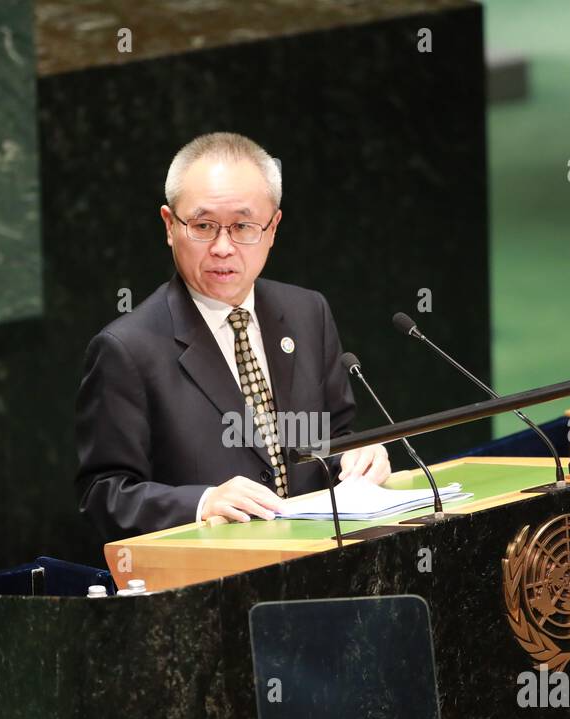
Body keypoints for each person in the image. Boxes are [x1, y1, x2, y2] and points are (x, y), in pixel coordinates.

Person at [75, 132, 391, 542]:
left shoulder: (307, 312)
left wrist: (359, 456)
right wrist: (202, 503)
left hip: (320, 563)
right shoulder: (127, 349)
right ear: (170, 226)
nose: (223, 248)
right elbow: (103, 494)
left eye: (243, 226)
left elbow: (334, 436)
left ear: (273, 227)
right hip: (210, 584)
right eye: (203, 226)